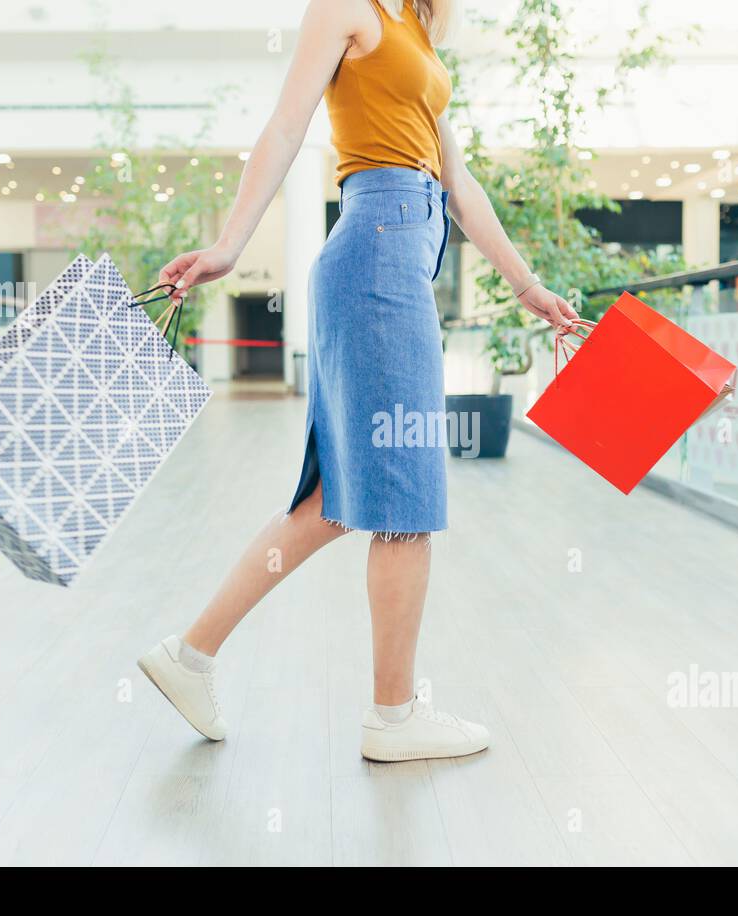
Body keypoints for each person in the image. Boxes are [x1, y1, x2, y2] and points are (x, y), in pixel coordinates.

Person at [138, 0, 578, 761]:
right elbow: (284, 128)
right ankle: (394, 717)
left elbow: (460, 185)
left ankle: (189, 656)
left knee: (334, 501)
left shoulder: (414, 28)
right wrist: (229, 244)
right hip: (377, 254)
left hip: (403, 255)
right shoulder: (348, 6)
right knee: (406, 494)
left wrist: (529, 287)